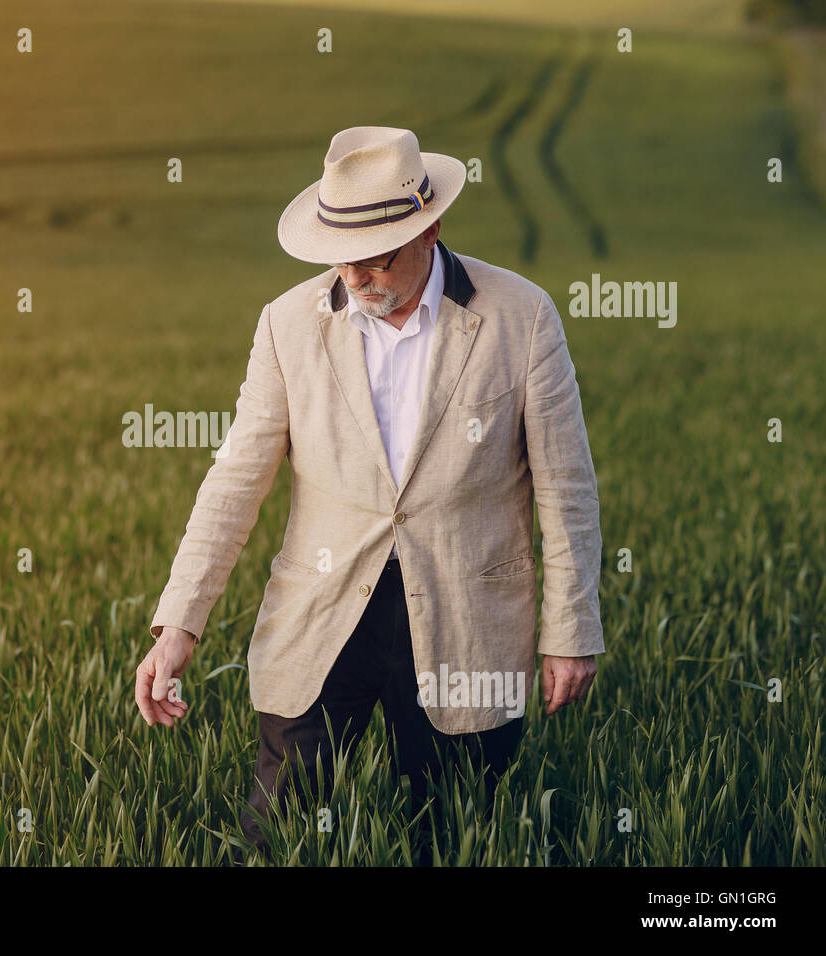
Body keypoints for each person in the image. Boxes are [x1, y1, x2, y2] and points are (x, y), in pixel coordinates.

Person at [135, 126, 603, 860]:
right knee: (279, 831)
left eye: (374, 257)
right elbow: (235, 480)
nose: (352, 278)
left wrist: (571, 631)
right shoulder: (286, 325)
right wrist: (179, 626)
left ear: (431, 228)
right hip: (321, 611)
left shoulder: (523, 317)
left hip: (467, 613)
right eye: (338, 258)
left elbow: (566, 484)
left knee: (453, 834)